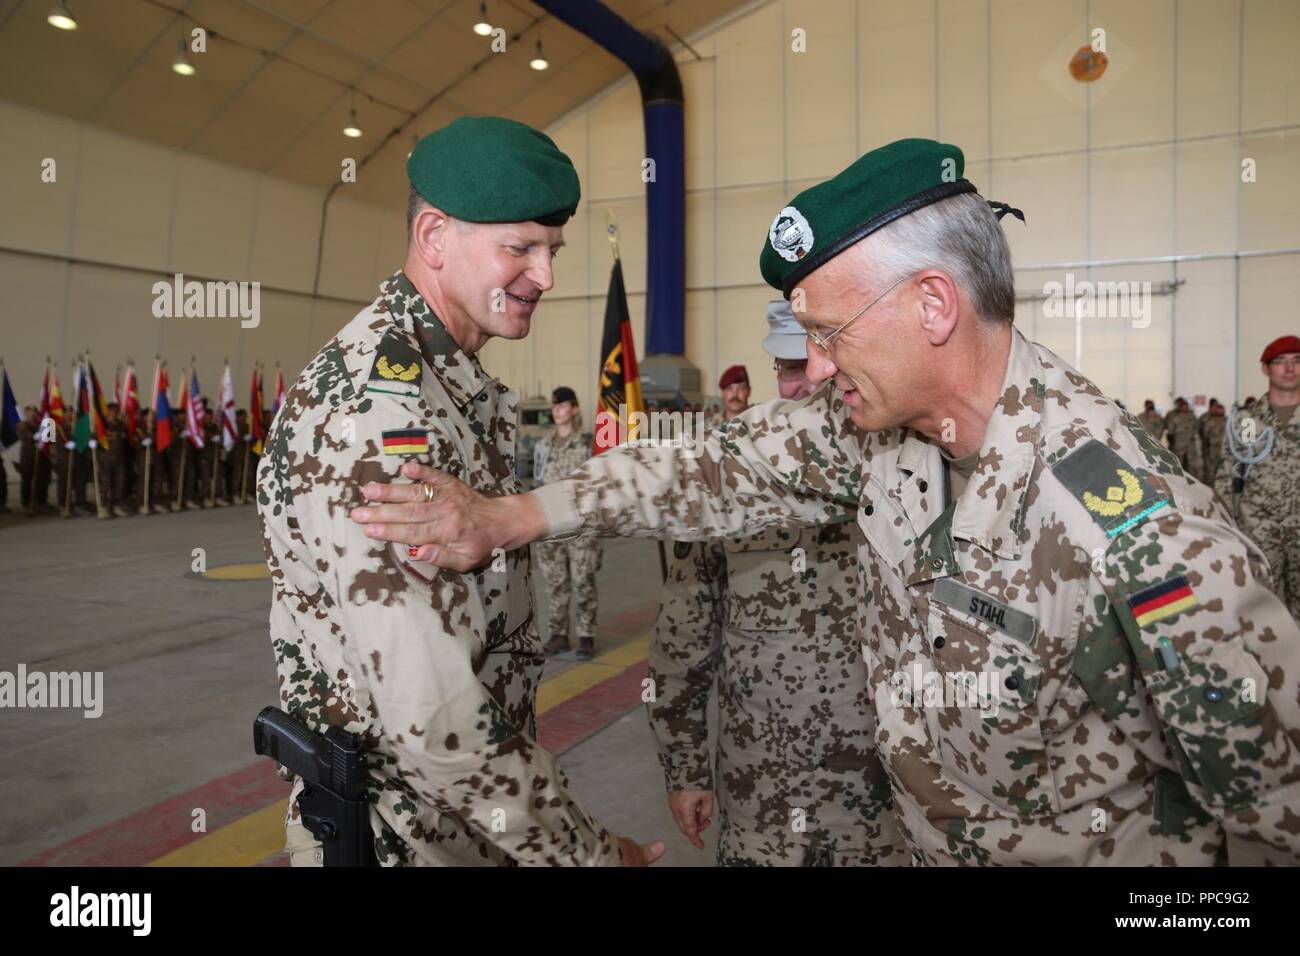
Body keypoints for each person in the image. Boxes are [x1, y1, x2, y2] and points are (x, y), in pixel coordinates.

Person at [355, 138, 1300, 865]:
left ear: (934, 307)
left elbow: (1273, 818)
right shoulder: (878, 433)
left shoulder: (1147, 542)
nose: (815, 368)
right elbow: (715, 468)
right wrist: (511, 517)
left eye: (831, 331)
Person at [257, 116, 660, 867]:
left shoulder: (447, 380)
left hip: (464, 829)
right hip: (401, 839)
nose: (545, 276)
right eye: (521, 248)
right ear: (435, 236)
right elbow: (433, 721)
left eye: (553, 251)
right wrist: (592, 859)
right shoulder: (379, 413)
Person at [649, 300, 904, 867]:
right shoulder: (730, 474)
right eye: (787, 369)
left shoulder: (901, 467)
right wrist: (684, 767)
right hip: (759, 804)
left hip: (881, 808)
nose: (799, 387)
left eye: (815, 367)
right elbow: (682, 639)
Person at [1215, 335, 1300, 619]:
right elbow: (1227, 477)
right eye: (1280, 362)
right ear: (1266, 368)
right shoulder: (1247, 422)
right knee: (1264, 611)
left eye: (1297, 361)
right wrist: (1225, 529)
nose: (1290, 368)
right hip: (1259, 531)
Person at [532, 386, 601, 659]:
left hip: (581, 524)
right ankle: (558, 634)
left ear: (574, 408)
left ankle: (586, 636)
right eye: (555, 406)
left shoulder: (587, 444)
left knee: (584, 580)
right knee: (555, 582)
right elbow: (537, 481)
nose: (557, 410)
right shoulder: (543, 446)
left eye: (562, 405)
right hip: (551, 524)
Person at [1163, 396, 1202, 477]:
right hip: (1178, 446)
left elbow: (1196, 428)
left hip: (1190, 446)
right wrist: (1171, 439)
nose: (1185, 407)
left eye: (1186, 405)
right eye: (1182, 405)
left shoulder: (1192, 416)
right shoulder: (1173, 415)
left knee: (1191, 466)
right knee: (1177, 465)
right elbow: (1169, 429)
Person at [1198, 398, 1226, 486]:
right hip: (1212, 450)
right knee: (1210, 471)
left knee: (1223, 470)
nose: (1221, 411)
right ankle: (1209, 488)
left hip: (1224, 451)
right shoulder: (1209, 421)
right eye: (1219, 409)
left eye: (1222, 409)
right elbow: (1204, 434)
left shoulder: (1227, 421)